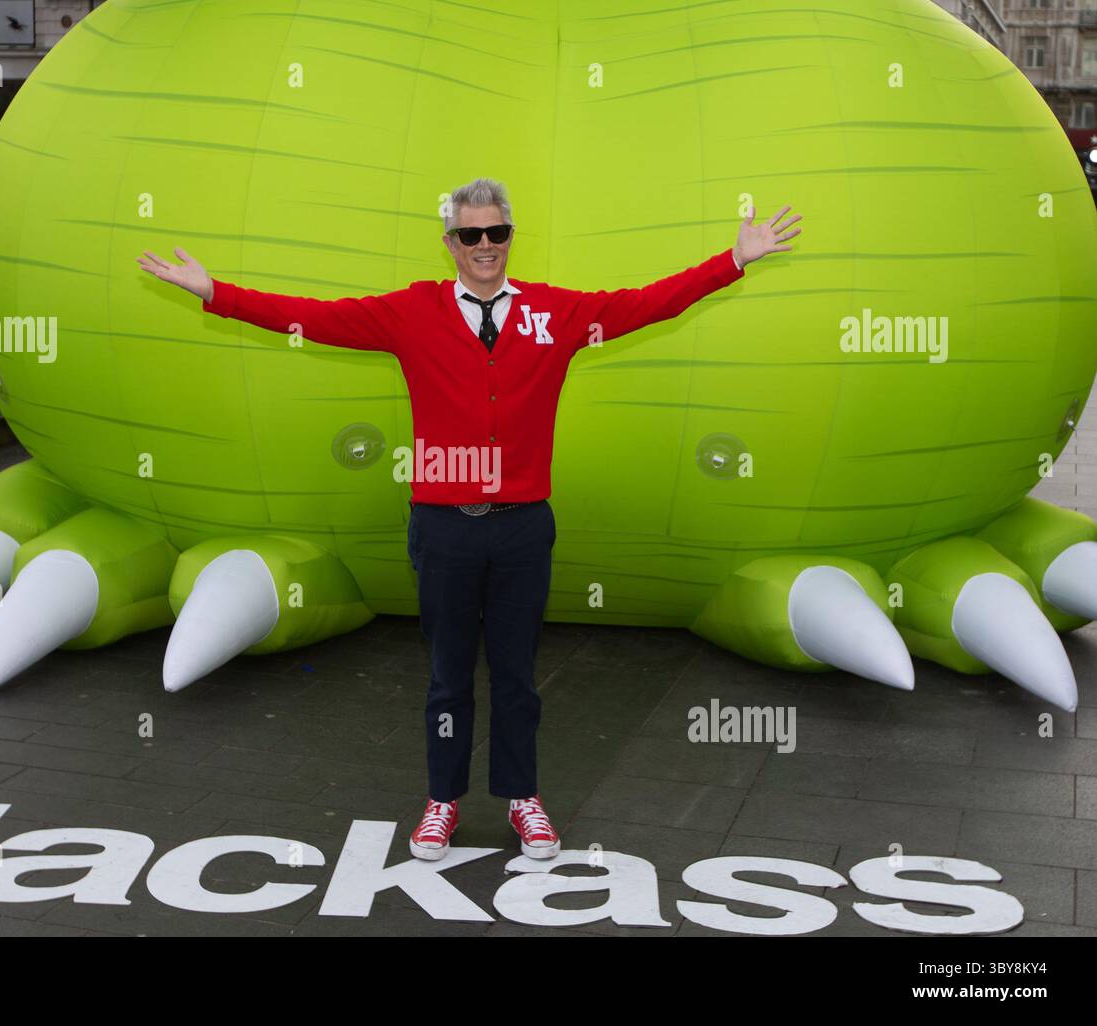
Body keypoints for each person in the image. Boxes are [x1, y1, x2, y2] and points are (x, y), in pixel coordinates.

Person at [137, 177, 801, 861]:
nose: (485, 246)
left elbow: (646, 304)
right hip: (444, 526)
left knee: (516, 674)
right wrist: (216, 294)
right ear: (450, 242)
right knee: (448, 676)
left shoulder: (556, 313)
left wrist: (733, 261)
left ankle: (523, 798)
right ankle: (442, 802)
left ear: (511, 236)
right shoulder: (411, 312)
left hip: (522, 527)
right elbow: (314, 316)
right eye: (470, 234)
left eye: (497, 233)